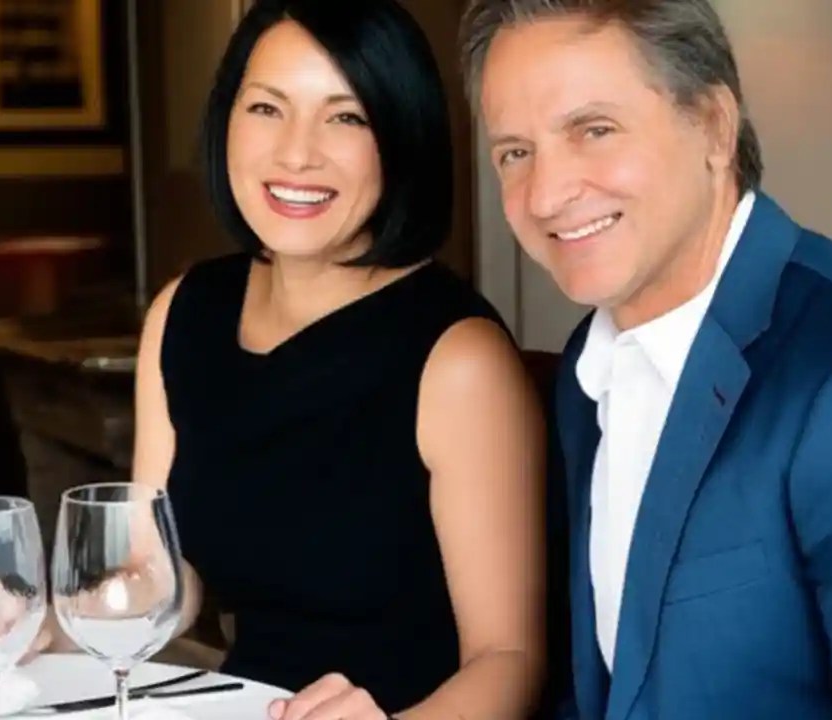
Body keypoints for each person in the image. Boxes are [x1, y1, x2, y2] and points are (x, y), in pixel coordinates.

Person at [459, 0, 832, 718]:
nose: (545, 194)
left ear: (712, 126)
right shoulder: (595, 360)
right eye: (515, 152)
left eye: (594, 130)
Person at [71, 1, 547, 718]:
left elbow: (510, 660)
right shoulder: (185, 311)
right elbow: (159, 572)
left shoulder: (457, 357)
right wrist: (61, 618)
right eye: (267, 108)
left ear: (402, 135)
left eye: (346, 117)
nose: (297, 153)